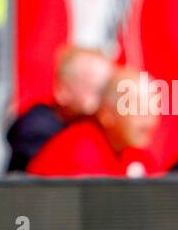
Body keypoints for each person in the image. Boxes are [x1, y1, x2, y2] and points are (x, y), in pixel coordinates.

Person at [27, 68, 159, 177]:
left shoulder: (135, 151)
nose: (149, 121)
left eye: (153, 109)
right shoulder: (79, 153)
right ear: (107, 114)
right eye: (138, 110)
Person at [6, 46, 112, 173]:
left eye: (108, 87)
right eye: (94, 87)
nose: (105, 96)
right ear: (63, 90)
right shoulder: (38, 127)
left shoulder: (101, 127)